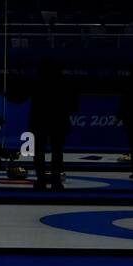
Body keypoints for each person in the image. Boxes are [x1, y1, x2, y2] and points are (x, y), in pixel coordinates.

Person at [28, 59, 78, 191]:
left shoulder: (37, 82)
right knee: (57, 151)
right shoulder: (66, 83)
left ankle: (41, 180)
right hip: (58, 121)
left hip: (40, 121)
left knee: (39, 152)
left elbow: (22, 97)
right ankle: (55, 181)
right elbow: (74, 105)